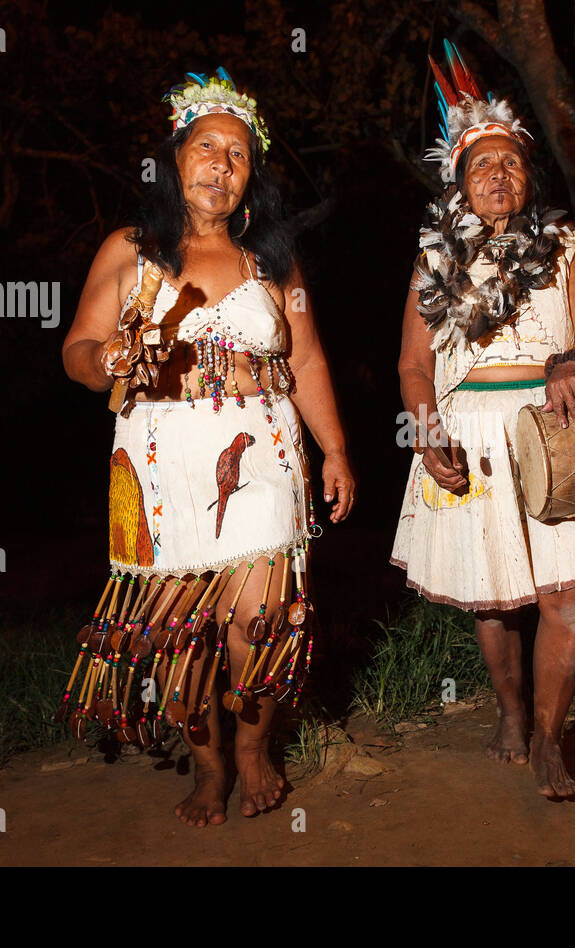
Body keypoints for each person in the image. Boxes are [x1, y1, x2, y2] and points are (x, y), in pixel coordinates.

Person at [61, 69, 355, 823]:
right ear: (175, 158)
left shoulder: (272, 261)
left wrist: (336, 450)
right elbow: (80, 352)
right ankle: (209, 763)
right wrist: (108, 362)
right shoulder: (132, 250)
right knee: (179, 634)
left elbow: (309, 360)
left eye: (238, 153)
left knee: (259, 622)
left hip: (262, 455)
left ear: (251, 176)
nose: (221, 164)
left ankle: (254, 752)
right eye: (206, 147)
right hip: (162, 468)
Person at [391, 43, 575, 798]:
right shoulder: (433, 261)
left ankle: (548, 739)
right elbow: (412, 365)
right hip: (469, 433)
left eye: (511, 164)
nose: (498, 177)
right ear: (458, 185)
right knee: (493, 594)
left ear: (529, 177)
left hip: (556, 421)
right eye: (481, 167)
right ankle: (509, 709)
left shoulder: (567, 247)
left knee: (565, 594)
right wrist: (426, 427)